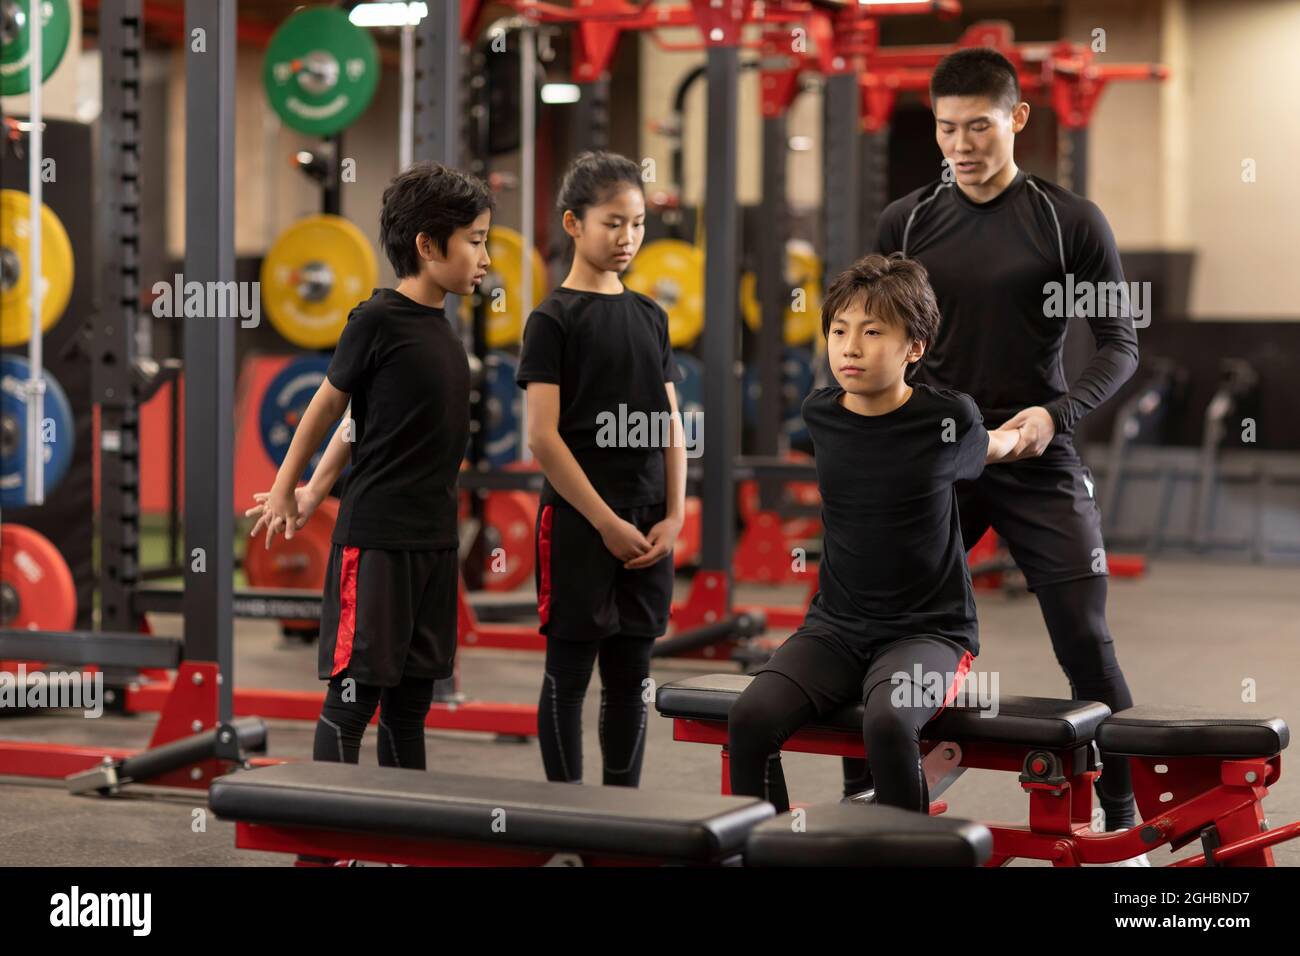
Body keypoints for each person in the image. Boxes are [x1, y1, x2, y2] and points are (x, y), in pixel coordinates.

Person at [845, 47, 1144, 840]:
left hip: (1034, 450)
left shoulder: (1068, 219)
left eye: (979, 126)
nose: (962, 146)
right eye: (947, 129)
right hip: (938, 454)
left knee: (1084, 633)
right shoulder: (904, 221)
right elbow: (874, 336)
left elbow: (1120, 342)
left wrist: (1057, 414)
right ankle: (873, 799)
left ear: (1017, 118)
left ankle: (1122, 812)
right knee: (868, 623)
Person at [729, 253, 1026, 812]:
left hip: (929, 632)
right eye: (839, 331)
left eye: (872, 332)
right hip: (836, 628)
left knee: (887, 723)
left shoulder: (947, 417)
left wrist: (1024, 434)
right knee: (749, 718)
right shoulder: (821, 414)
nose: (850, 347)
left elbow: (988, 446)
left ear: (913, 348)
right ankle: (761, 850)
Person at [247, 161, 493, 770]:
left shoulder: (443, 331)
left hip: (433, 544)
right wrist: (289, 489)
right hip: (379, 541)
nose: (487, 258)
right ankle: (336, 846)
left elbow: (362, 424)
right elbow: (328, 406)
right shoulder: (376, 320)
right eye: (477, 242)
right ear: (429, 246)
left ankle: (395, 840)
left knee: (411, 707)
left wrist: (316, 486)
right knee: (352, 702)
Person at [516, 151, 686, 787]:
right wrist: (606, 521)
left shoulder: (651, 315)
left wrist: (672, 516)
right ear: (573, 223)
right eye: (613, 223)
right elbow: (542, 437)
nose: (628, 238)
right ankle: (568, 820)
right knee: (568, 678)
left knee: (630, 681)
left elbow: (672, 425)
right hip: (581, 523)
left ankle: (623, 820)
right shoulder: (552, 319)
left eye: (638, 224)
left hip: (646, 527)